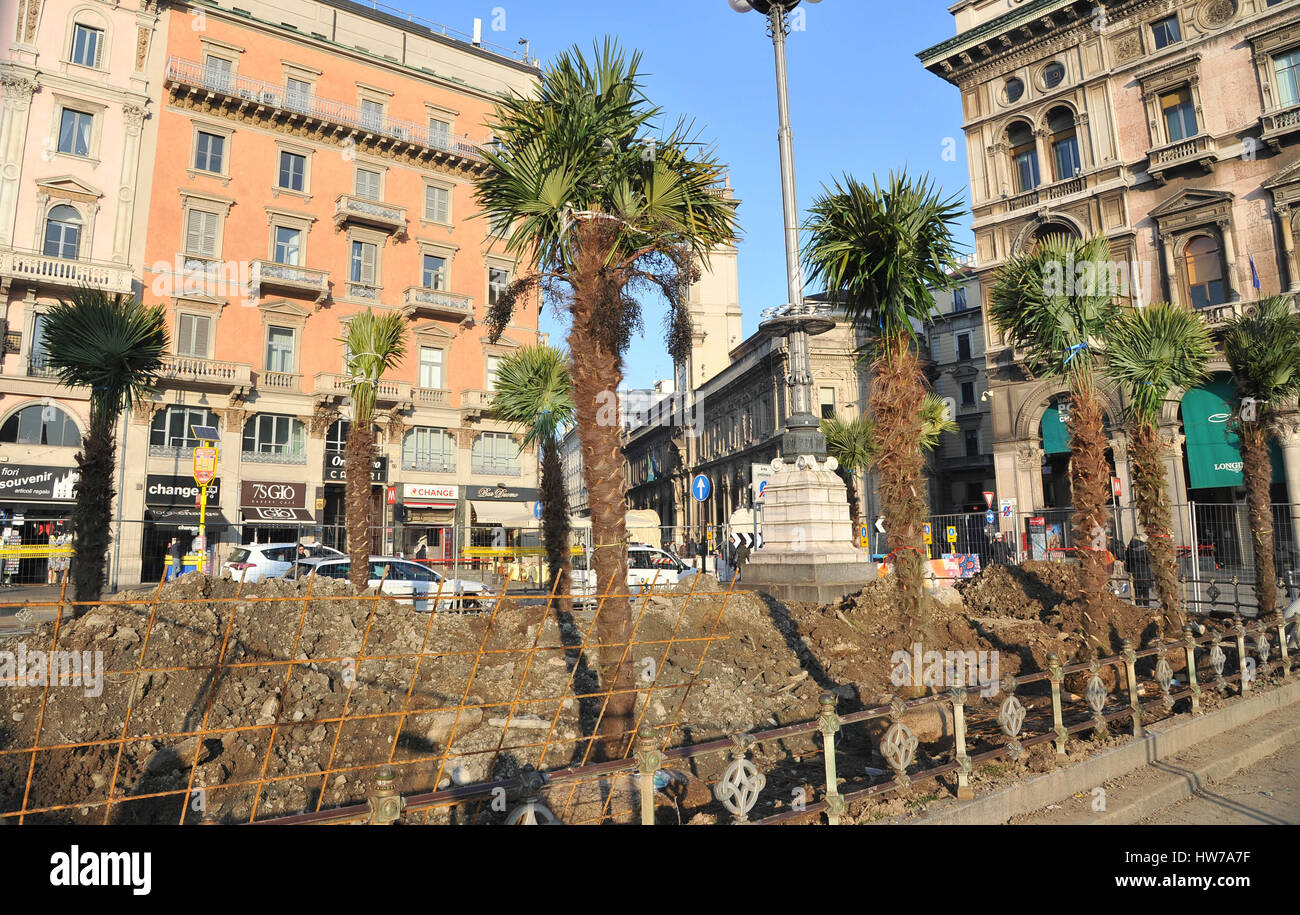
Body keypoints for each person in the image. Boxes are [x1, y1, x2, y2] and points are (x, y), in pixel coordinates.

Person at [1126, 535, 1152, 608]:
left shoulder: (1130, 548)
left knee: (1137, 592)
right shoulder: (1145, 548)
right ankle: (1146, 606)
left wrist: (1129, 570)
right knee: (1145, 591)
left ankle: (1139, 607)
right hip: (1145, 571)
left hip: (1134, 572)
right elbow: (1149, 560)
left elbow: (1127, 560)